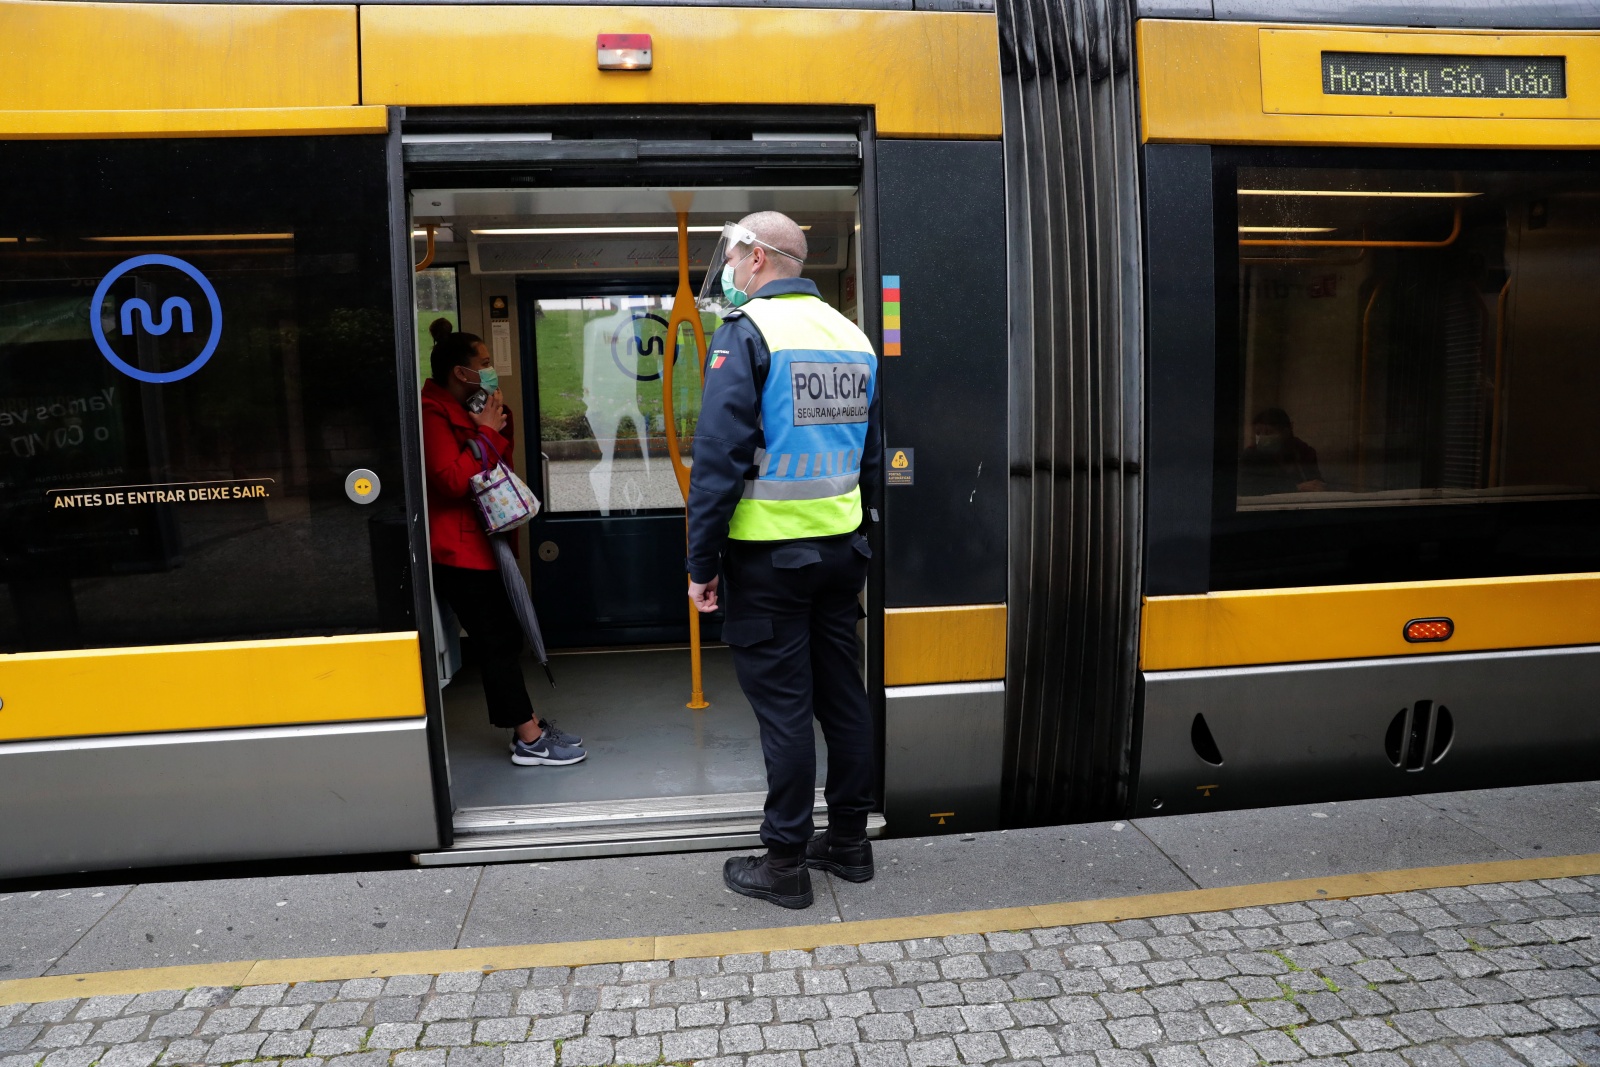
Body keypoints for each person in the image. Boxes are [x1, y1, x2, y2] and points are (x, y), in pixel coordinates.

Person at [686, 211, 882, 910]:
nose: (732, 272)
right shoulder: (852, 336)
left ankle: (786, 863)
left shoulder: (749, 333)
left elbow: (718, 461)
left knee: (786, 713)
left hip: (769, 560)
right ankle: (852, 844)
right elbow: (868, 458)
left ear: (759, 257)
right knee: (843, 698)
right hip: (841, 551)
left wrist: (700, 563)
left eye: (736, 258)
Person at [421, 331, 586, 767]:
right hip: (458, 549)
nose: (491, 369)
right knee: (496, 639)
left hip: (484, 541)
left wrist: (493, 423)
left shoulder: (462, 408)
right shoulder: (431, 413)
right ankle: (529, 738)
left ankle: (526, 723)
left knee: (504, 636)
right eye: (486, 361)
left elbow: (496, 462)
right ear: (462, 372)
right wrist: (486, 435)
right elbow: (451, 480)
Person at [1238, 406, 1327, 496]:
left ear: (1286, 431)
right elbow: (1248, 487)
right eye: (1258, 433)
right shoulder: (1251, 456)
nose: (1261, 437)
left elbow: (1315, 483)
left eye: (1268, 432)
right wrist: (1296, 488)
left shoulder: (1303, 452)